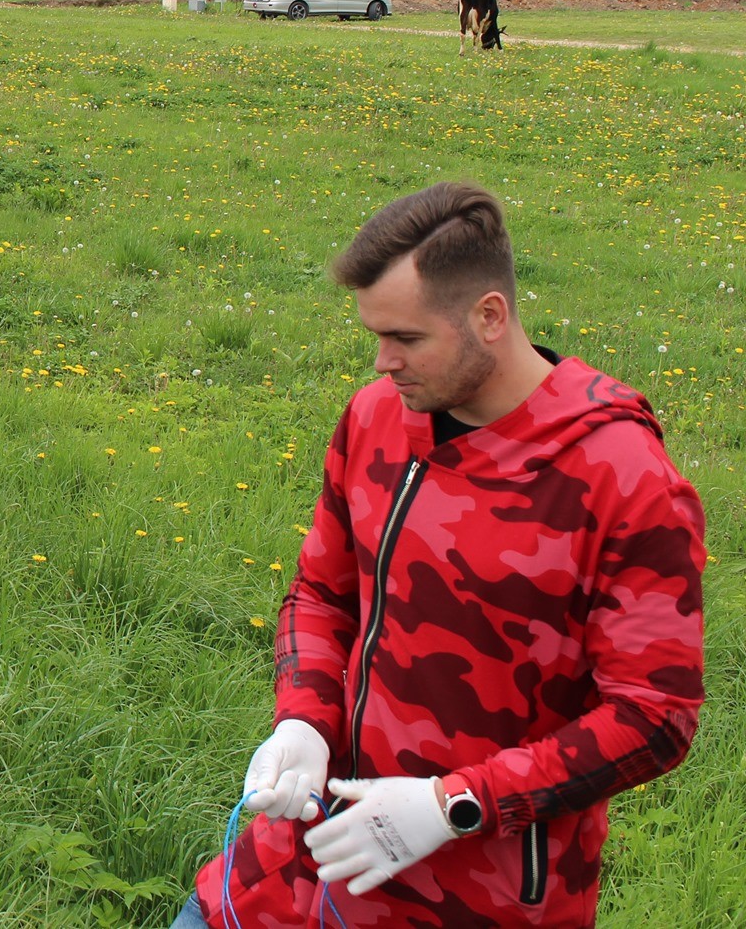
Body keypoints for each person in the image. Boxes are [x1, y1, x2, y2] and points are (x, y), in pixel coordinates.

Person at [175, 182, 704, 929]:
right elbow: (320, 595)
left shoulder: (622, 478)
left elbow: (655, 716)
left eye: (408, 339)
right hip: (289, 873)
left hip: (473, 899)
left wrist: (452, 805)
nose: (384, 362)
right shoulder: (375, 418)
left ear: (489, 316)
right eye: (375, 337)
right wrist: (303, 722)